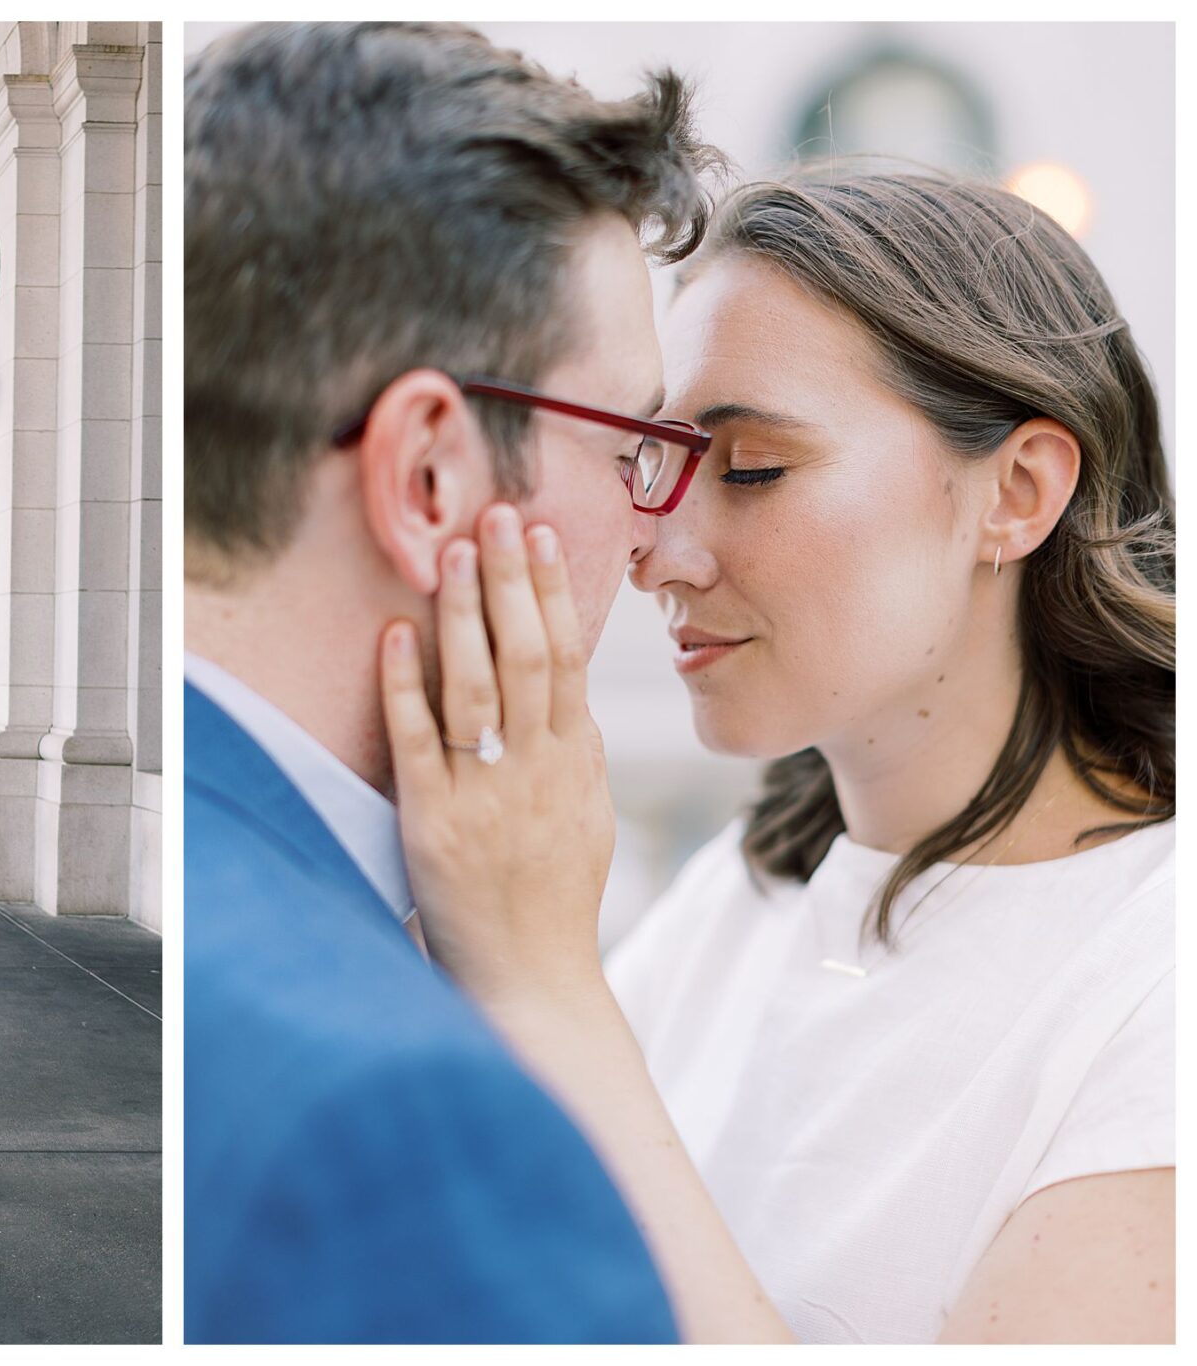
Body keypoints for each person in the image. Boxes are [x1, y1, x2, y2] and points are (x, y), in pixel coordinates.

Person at [385, 169, 1174, 1343]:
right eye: (659, 465)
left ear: (1014, 492)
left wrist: (545, 981)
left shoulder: (1152, 985)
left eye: (749, 468)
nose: (654, 553)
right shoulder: (739, 898)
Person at [183, 22, 725, 1342]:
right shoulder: (402, 1123)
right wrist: (544, 982)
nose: (657, 535)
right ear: (431, 475)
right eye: (633, 446)